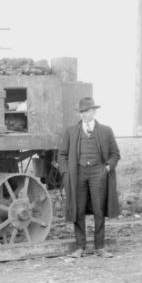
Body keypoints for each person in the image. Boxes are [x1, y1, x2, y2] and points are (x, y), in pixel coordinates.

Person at [57, 97, 121, 258]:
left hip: (98, 173)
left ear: (93, 111)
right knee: (78, 209)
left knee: (99, 209)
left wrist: (107, 167)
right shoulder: (71, 131)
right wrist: (66, 172)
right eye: (81, 112)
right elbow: (62, 155)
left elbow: (115, 154)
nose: (83, 115)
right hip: (78, 174)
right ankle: (80, 247)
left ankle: (100, 247)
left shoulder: (106, 131)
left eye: (86, 111)